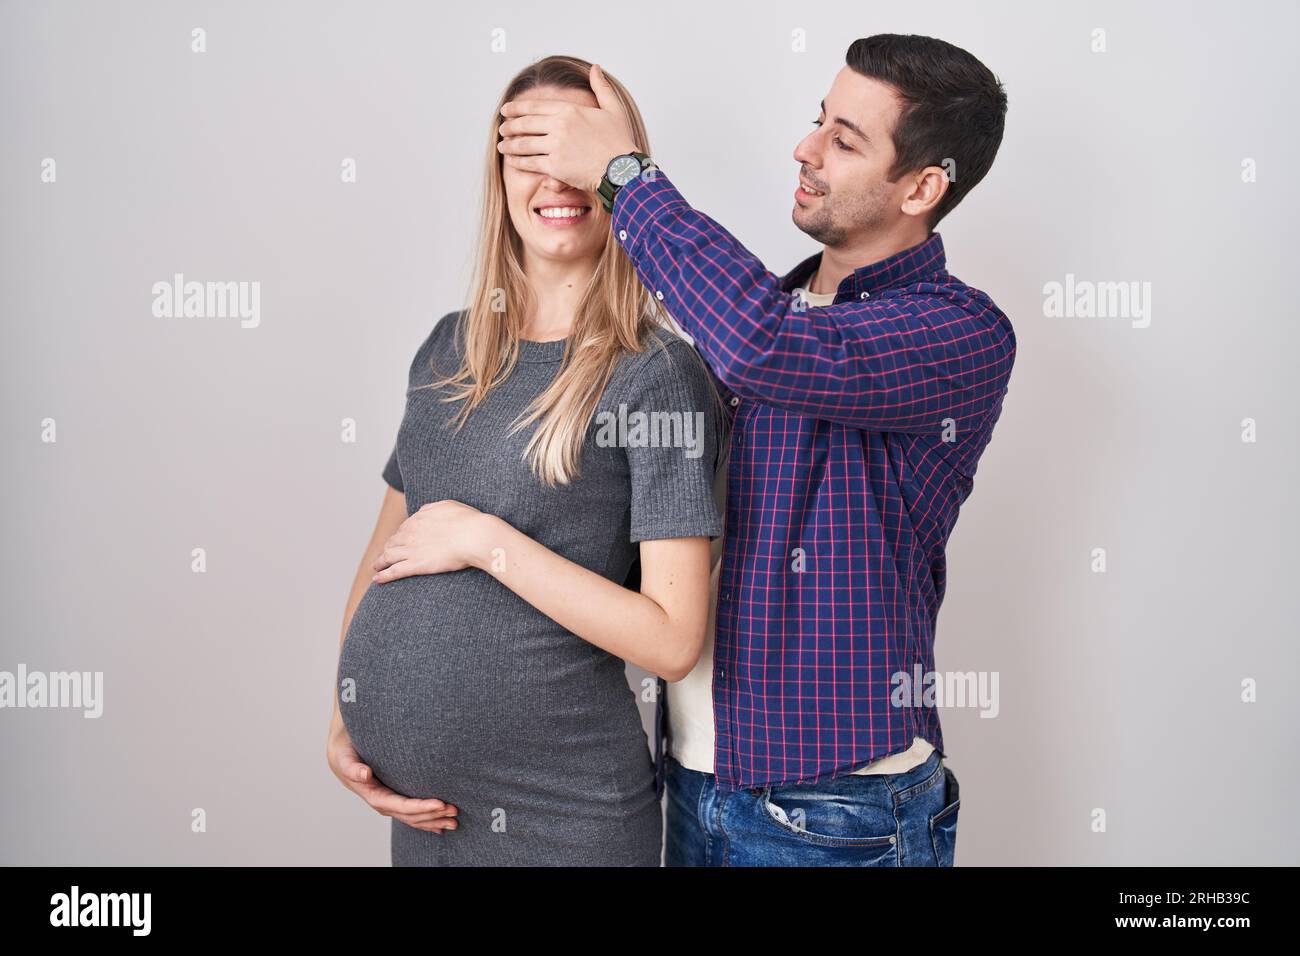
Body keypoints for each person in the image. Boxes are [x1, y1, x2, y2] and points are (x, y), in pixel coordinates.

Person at [497, 33, 1016, 866]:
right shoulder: (772, 307)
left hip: (841, 807)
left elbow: (756, 346)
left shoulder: (958, 332)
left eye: (846, 140)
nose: (805, 150)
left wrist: (626, 173)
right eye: (819, 120)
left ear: (922, 186)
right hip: (694, 782)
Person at [325, 55, 726, 866]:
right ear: (499, 174)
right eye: (532, 154)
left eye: (580, 154)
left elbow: (673, 638)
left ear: (618, 173)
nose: (559, 179)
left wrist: (484, 541)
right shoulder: (449, 346)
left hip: (564, 815)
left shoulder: (656, 375)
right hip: (425, 820)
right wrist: (348, 713)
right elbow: (385, 554)